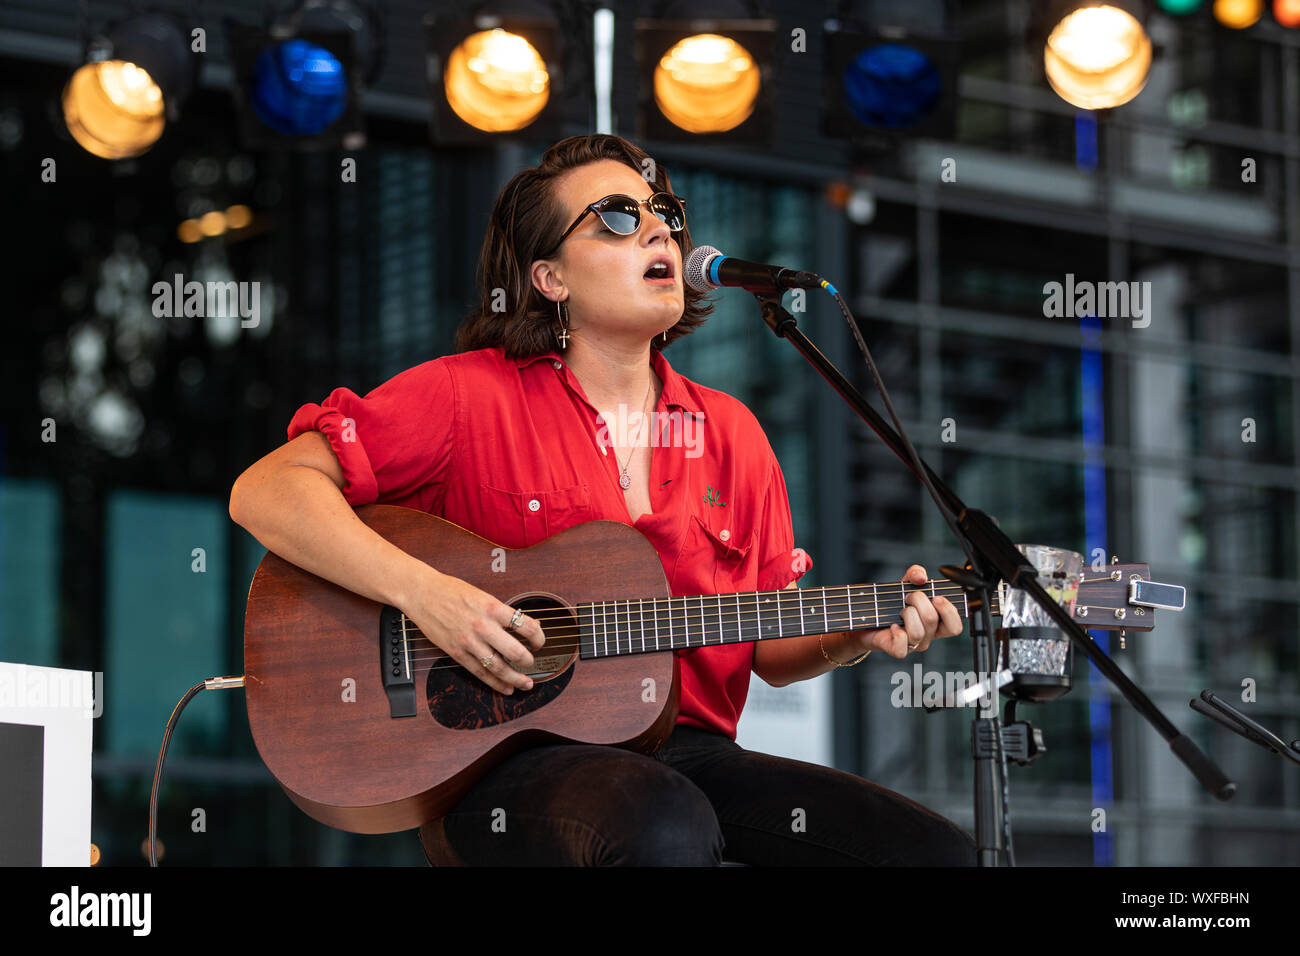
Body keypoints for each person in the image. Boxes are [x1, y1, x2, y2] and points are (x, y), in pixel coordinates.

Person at [229, 133, 975, 866]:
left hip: (691, 756)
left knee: (933, 853)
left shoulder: (734, 433)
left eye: (664, 214)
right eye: (618, 216)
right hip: (501, 762)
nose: (657, 227)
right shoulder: (465, 395)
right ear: (549, 277)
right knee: (659, 820)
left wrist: (861, 630)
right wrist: (432, 598)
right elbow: (267, 491)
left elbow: (768, 652)